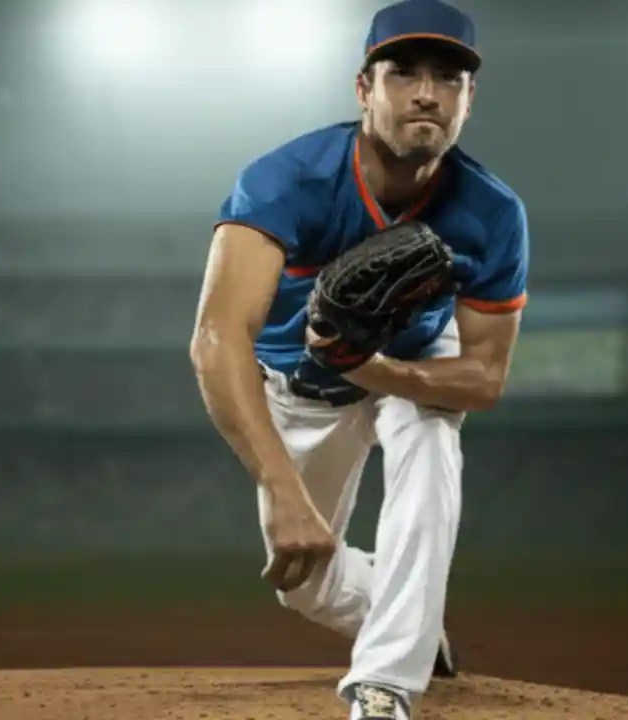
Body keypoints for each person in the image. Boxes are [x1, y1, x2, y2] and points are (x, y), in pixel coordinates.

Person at [189, 0, 529, 718]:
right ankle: (410, 625)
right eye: (404, 72)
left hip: (411, 354)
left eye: (449, 77)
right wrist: (283, 491)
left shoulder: (493, 213)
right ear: (363, 89)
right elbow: (217, 341)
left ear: (471, 98)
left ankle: (382, 684)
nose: (428, 93)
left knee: (434, 433)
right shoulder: (288, 181)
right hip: (300, 384)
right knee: (304, 584)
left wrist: (377, 369)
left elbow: (485, 379)